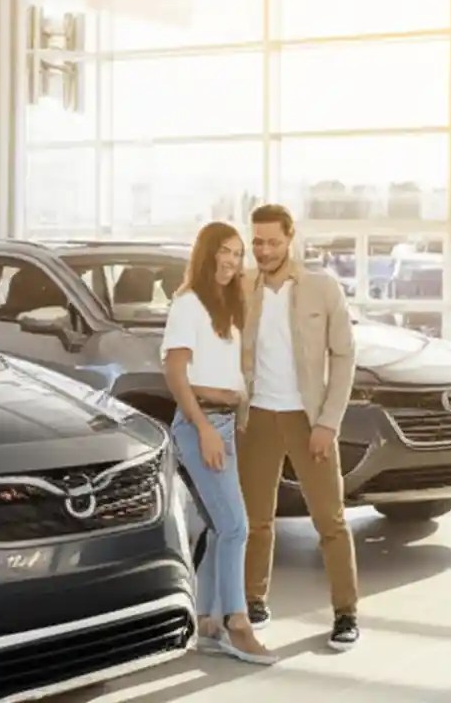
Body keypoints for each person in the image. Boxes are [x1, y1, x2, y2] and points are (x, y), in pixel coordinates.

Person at [237, 204, 361, 651]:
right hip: (256, 419)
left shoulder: (322, 289)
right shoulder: (242, 287)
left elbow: (345, 356)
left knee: (330, 520)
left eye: (272, 241)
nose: (264, 250)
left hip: (308, 420)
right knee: (255, 522)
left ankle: (346, 613)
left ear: (291, 238)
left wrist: (328, 421)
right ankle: (254, 601)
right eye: (257, 242)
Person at [162, 221, 278, 665]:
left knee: (216, 523)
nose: (231, 260)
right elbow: (176, 373)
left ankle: (208, 621)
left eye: (237, 252)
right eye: (224, 252)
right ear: (207, 253)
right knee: (236, 527)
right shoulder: (188, 304)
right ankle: (237, 623)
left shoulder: (227, 305)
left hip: (225, 421)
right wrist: (205, 428)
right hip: (201, 424)